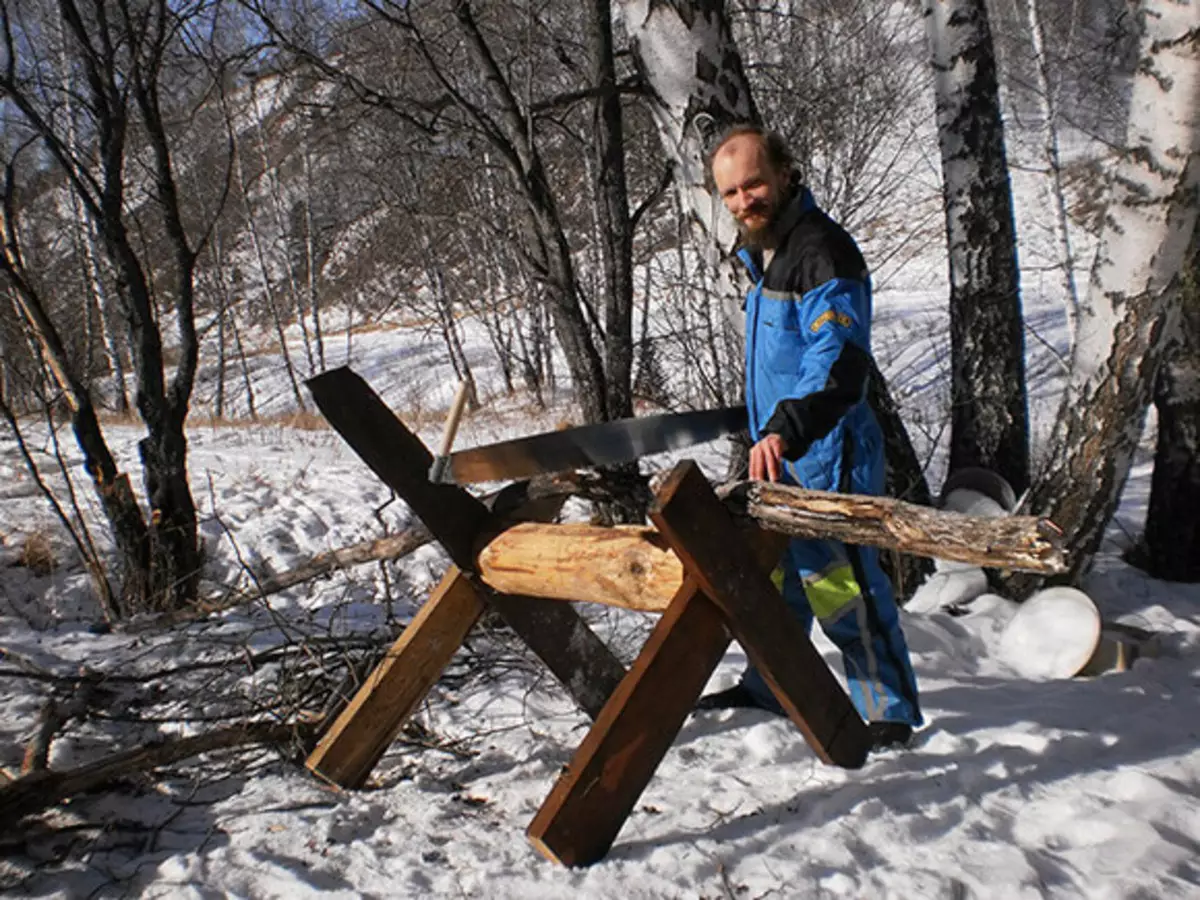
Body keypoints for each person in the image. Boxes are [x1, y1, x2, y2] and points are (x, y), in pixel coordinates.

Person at [697, 125, 922, 750]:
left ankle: (889, 712)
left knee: (841, 585)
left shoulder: (822, 251)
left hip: (829, 452)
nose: (744, 201)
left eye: (754, 184)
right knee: (779, 583)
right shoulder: (767, 252)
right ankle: (771, 684)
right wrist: (768, 434)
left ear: (787, 174)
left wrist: (787, 429)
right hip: (780, 452)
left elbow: (838, 359)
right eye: (732, 193)